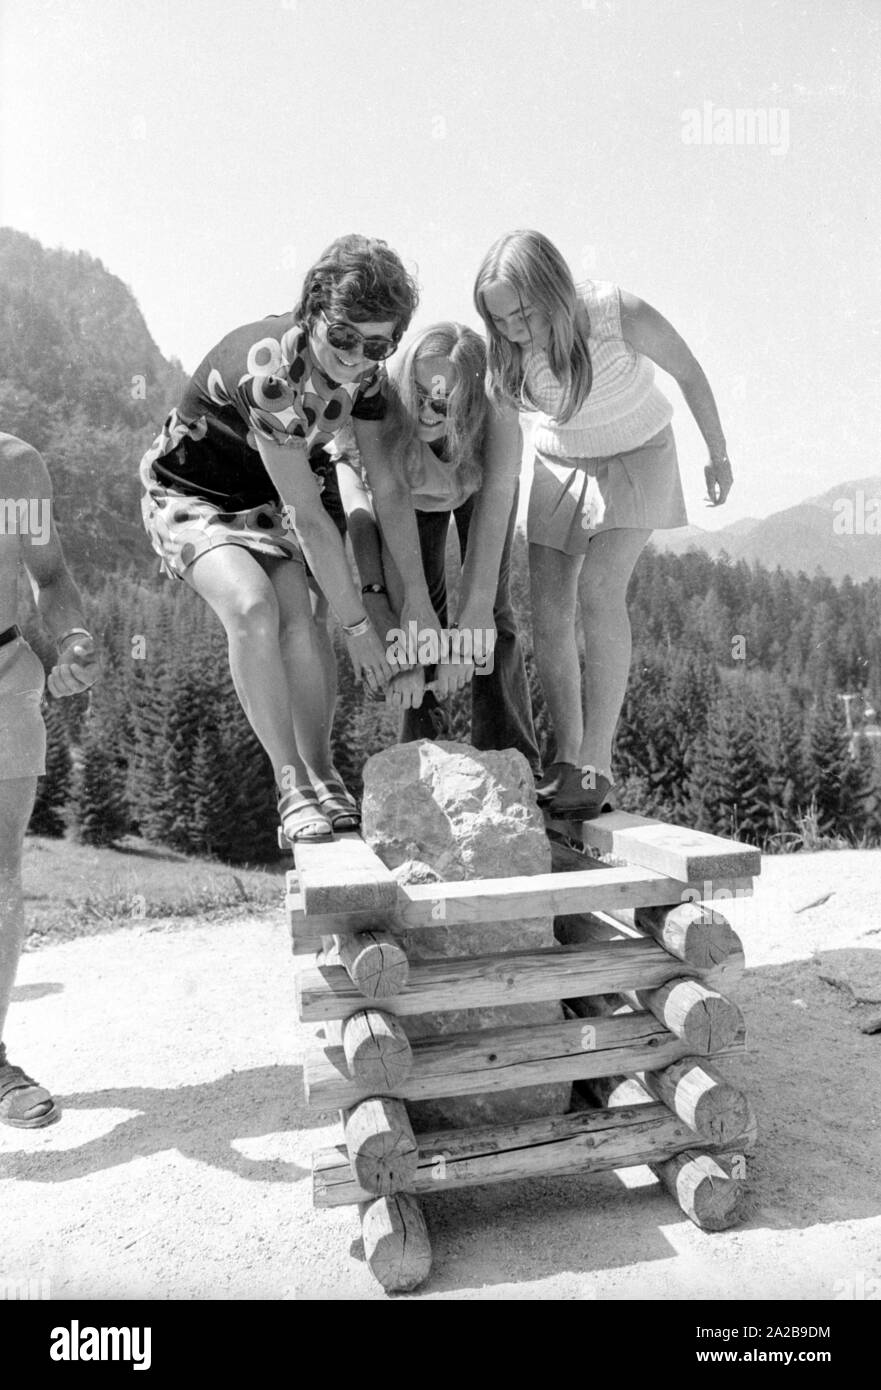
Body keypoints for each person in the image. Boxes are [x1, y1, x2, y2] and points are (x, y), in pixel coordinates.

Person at [139, 235, 442, 843]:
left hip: (263, 500)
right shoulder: (268, 373)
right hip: (188, 495)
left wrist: (418, 600)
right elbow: (307, 514)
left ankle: (323, 774)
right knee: (253, 606)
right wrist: (359, 629)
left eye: (378, 345)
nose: (357, 358)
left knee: (300, 618)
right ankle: (289, 783)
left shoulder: (368, 378)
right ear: (312, 310)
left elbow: (389, 490)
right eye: (344, 338)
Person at [474, 229, 733, 817]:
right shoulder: (506, 353)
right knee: (547, 606)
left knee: (599, 589)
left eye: (522, 312)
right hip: (560, 458)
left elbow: (689, 371)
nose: (513, 328)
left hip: (639, 451)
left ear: (554, 289)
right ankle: (565, 757)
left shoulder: (616, 313)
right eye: (499, 318)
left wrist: (717, 455)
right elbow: (502, 472)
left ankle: (596, 762)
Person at [335, 322, 540, 770]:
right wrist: (415, 607)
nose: (427, 411)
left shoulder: (496, 401)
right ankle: (420, 748)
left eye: (443, 403)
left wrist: (475, 613)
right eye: (419, 395)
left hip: (482, 487)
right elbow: (388, 497)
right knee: (420, 602)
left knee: (492, 612)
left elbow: (499, 492)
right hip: (407, 494)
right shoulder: (381, 400)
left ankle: (511, 754)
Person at [1, 432, 100, 1127]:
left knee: (0, 875)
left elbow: (50, 577)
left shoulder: (13, 469)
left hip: (2, 676)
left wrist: (74, 641)